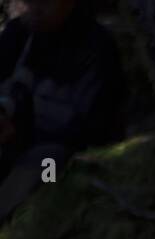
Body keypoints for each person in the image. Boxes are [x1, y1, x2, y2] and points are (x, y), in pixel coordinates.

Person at [0, 0, 122, 222]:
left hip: (58, 154)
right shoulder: (16, 35)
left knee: (46, 160)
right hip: (13, 144)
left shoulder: (95, 45)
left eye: (45, 2)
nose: (35, 9)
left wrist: (19, 128)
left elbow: (94, 127)